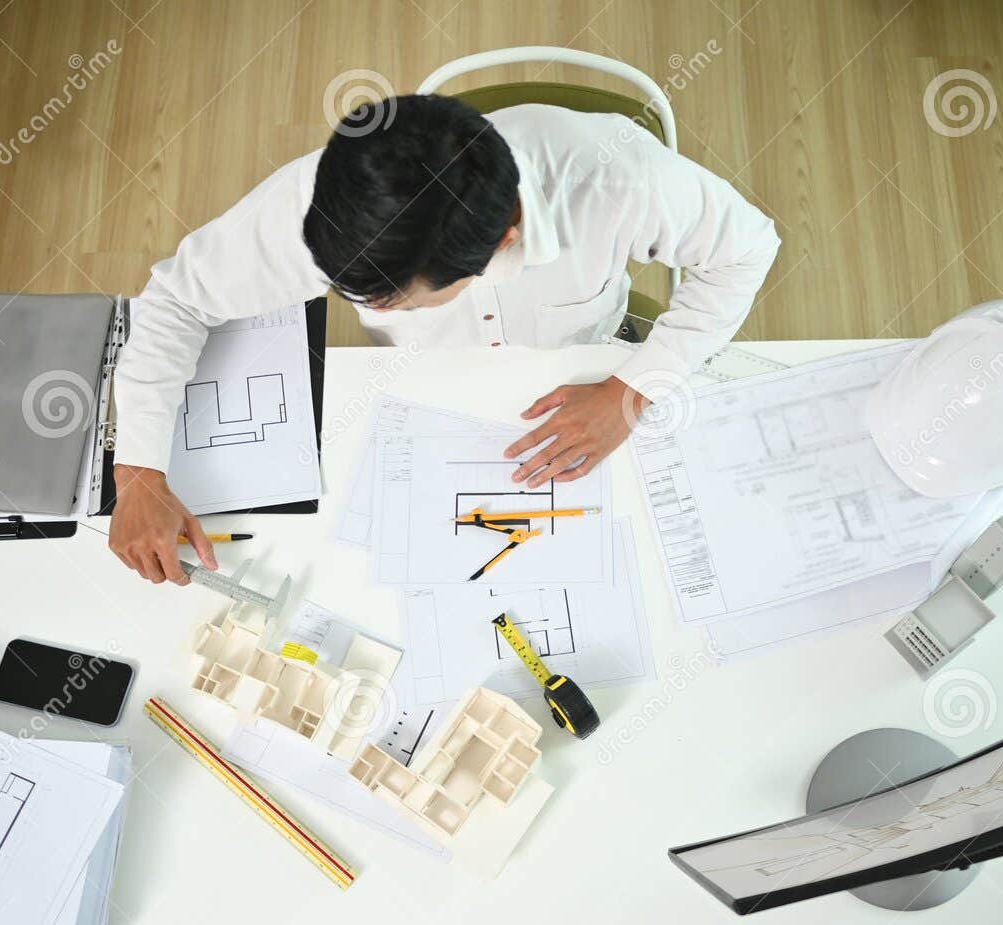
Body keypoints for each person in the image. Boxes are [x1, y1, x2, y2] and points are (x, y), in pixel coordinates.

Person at [110, 93, 779, 583]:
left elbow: (748, 249)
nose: (366, 306)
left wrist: (633, 389)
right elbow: (175, 299)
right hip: (423, 390)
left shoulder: (620, 180)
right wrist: (138, 471)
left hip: (587, 367)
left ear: (499, 248)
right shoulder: (326, 202)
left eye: (388, 298)